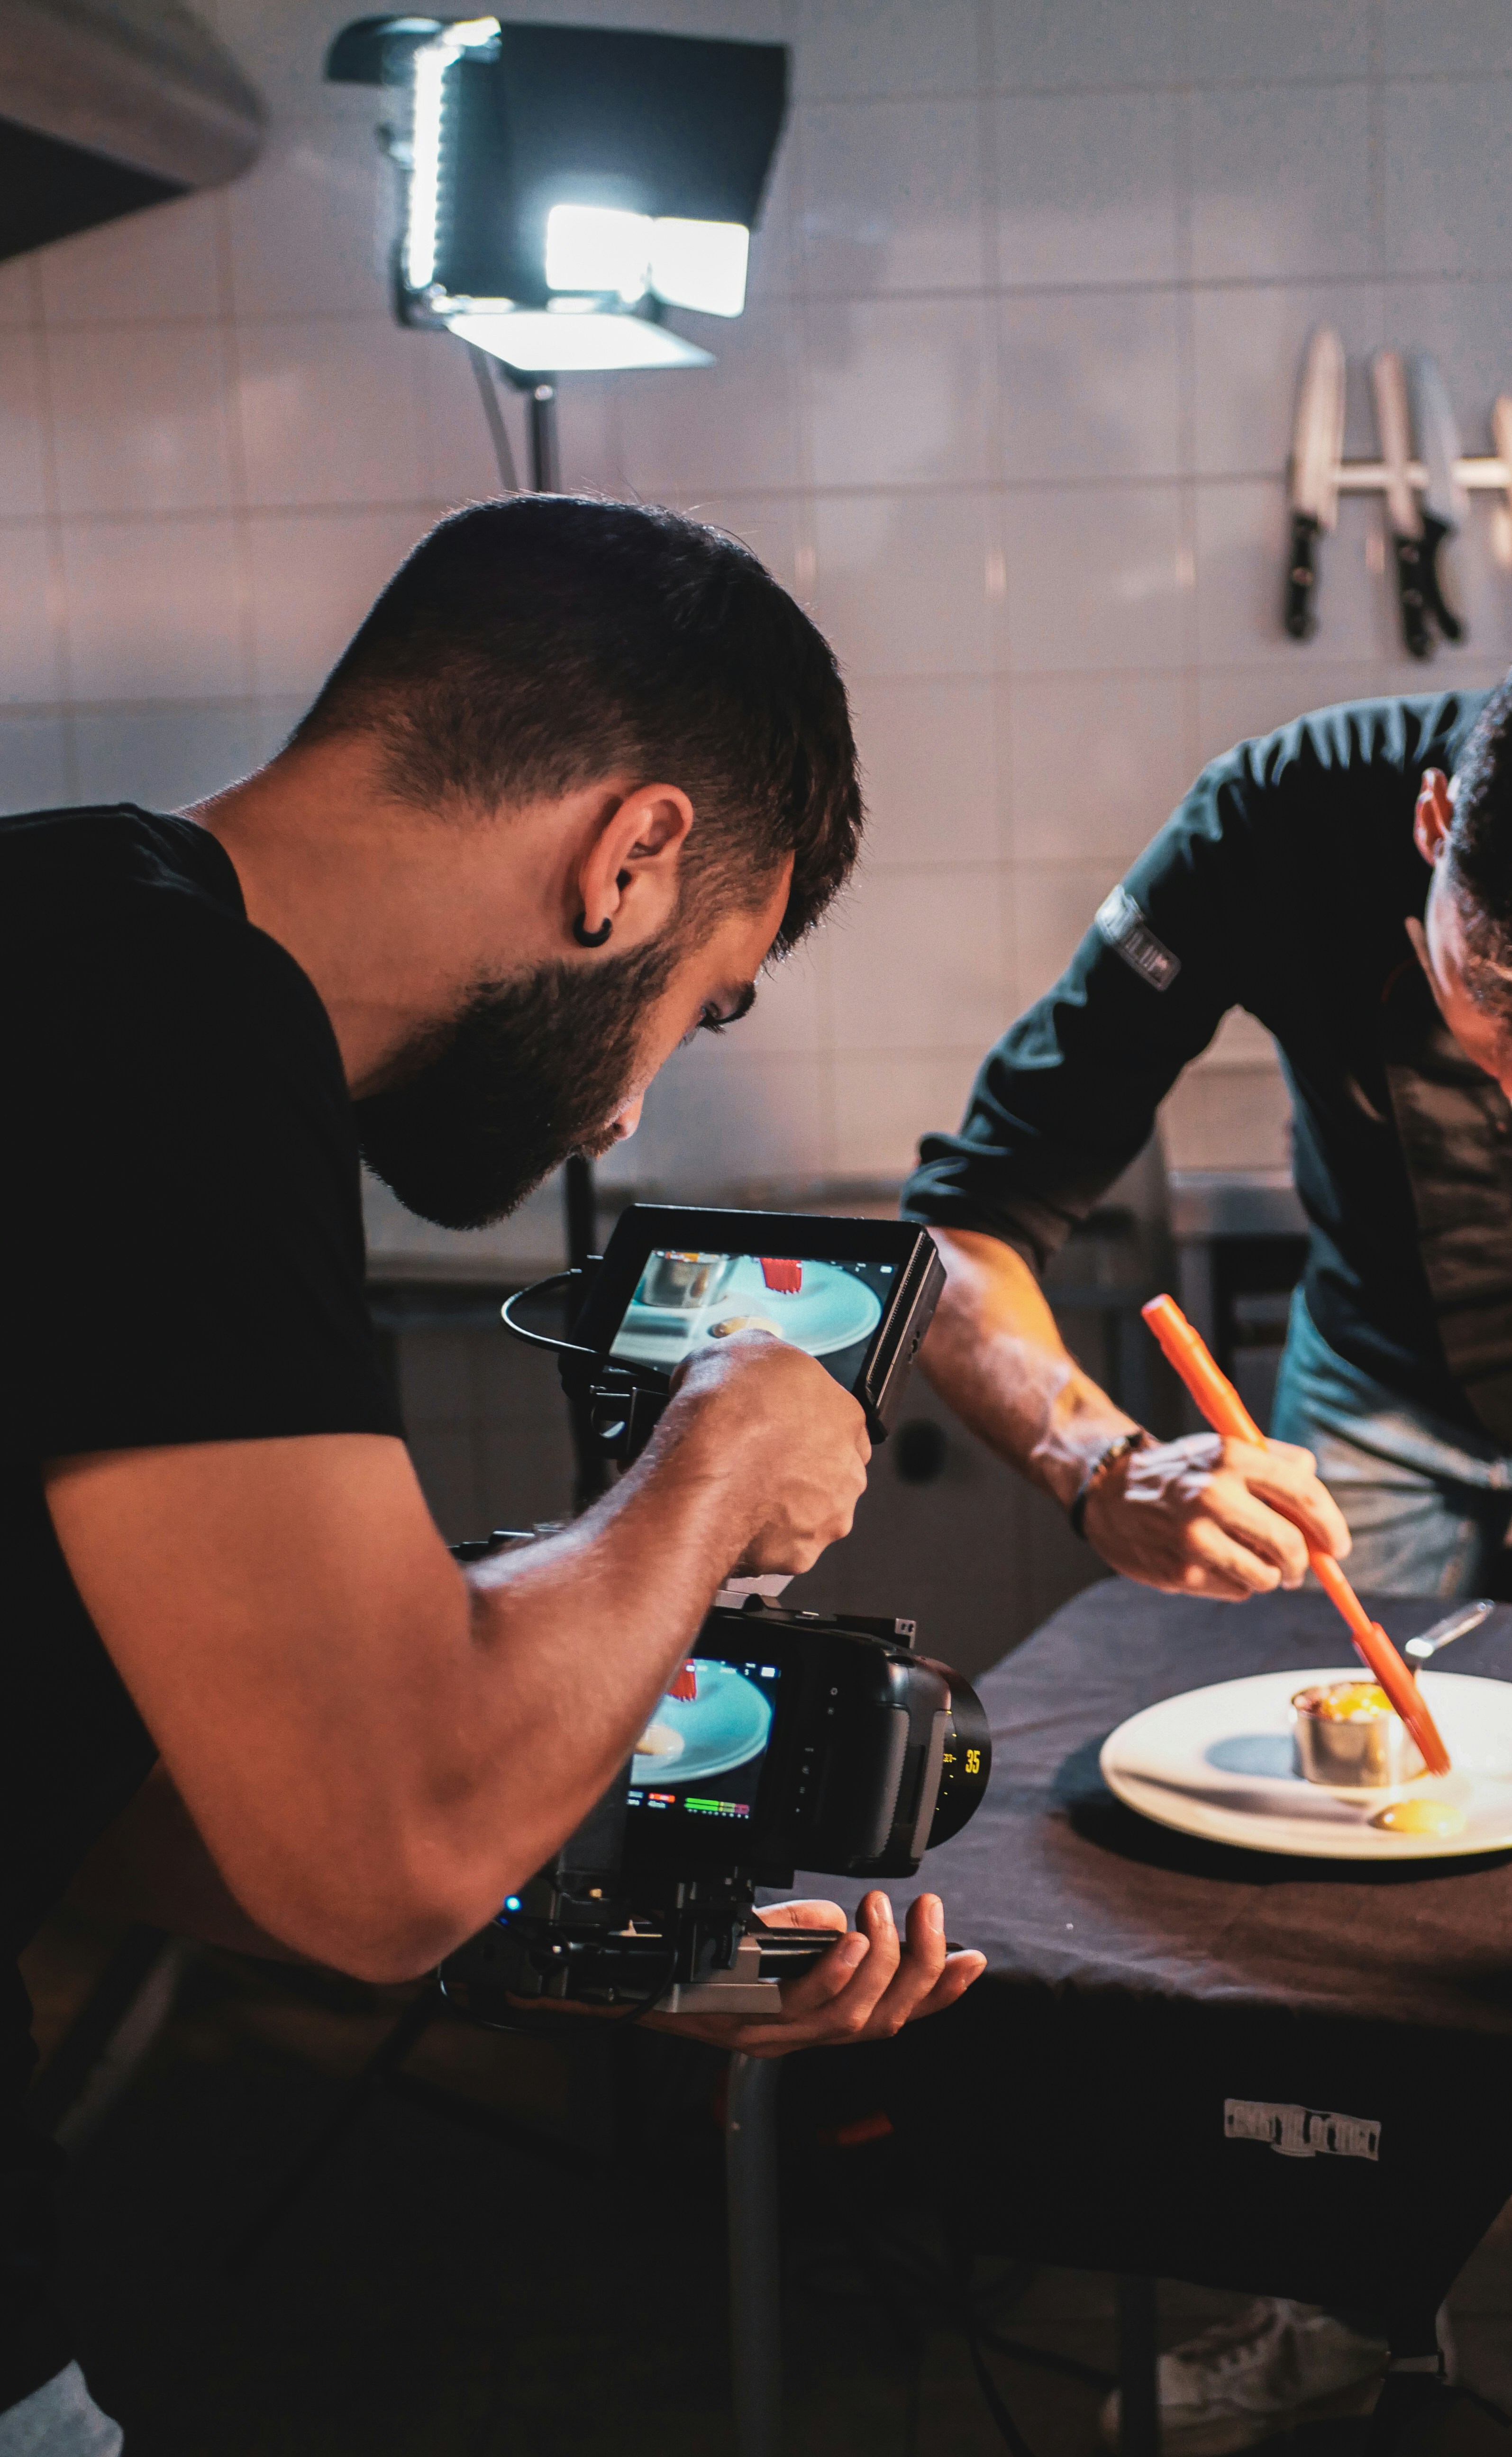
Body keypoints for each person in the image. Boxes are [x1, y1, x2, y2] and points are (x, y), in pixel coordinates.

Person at [0, 497, 984, 2453]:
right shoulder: (170, 1025)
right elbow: (377, 1848)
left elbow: (92, 1790)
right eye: (701, 1005)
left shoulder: (69, 930)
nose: (626, 1106)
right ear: (629, 860)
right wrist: (717, 1452)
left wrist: (590, 1945)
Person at [907, 625, 1512, 2457]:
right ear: (1429, 826)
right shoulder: (1270, 822)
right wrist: (1103, 1461)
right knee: (1321, 1847)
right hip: (1383, 1366)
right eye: (1504, 1042)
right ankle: (1338, 2306)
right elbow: (969, 1222)